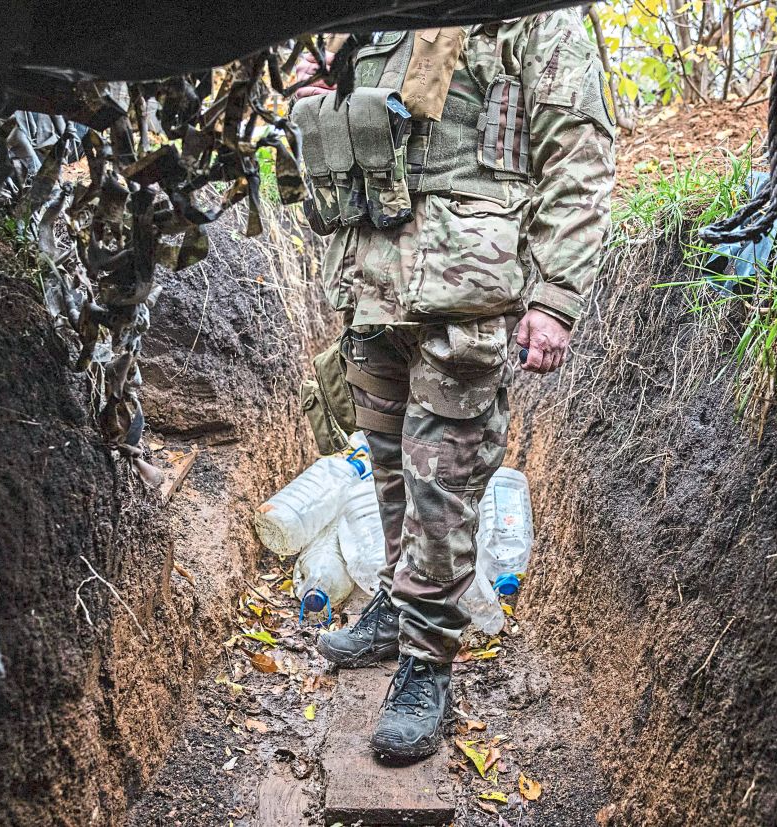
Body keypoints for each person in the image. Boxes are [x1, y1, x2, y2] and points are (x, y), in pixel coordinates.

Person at [292, 11, 615, 760]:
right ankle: (396, 606)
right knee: (388, 463)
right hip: (371, 283)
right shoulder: (379, 16)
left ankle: (427, 662)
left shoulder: (536, 19)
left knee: (443, 484)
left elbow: (579, 158)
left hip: (465, 292)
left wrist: (555, 297)